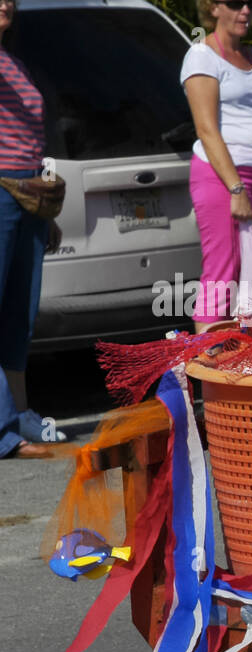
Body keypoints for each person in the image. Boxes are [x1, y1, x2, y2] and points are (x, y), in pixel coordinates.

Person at [182, 0, 252, 330]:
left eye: (250, 3)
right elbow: (206, 128)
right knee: (222, 270)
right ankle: (204, 370)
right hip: (222, 176)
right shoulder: (201, 56)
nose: (245, 10)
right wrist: (236, 188)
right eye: (235, 4)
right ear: (213, 8)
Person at [1, 0, 63, 459]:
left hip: (27, 196)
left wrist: (47, 210)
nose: (5, 3)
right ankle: (3, 430)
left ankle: (19, 414)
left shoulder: (13, 62)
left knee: (19, 312)